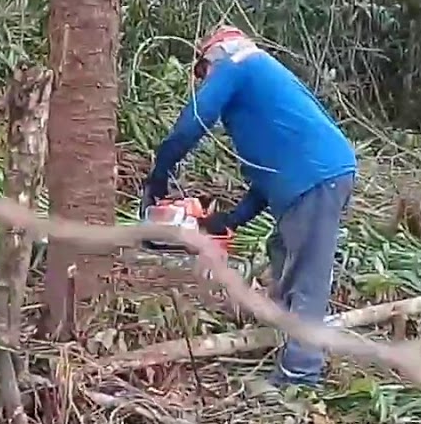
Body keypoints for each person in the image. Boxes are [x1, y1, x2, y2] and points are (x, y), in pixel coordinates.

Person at [143, 25, 357, 389]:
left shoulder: (237, 63)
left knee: (306, 278)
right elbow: (267, 175)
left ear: (213, 54)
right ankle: (281, 339)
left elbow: (192, 122)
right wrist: (228, 220)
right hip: (312, 176)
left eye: (202, 72)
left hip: (318, 177)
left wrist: (159, 173)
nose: (204, 80)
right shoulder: (261, 87)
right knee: (282, 255)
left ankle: (299, 376)